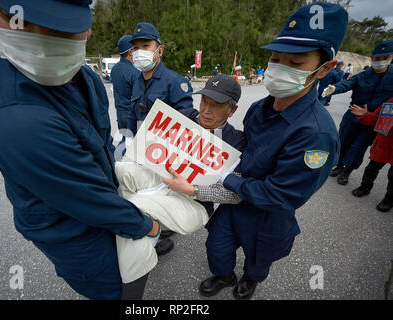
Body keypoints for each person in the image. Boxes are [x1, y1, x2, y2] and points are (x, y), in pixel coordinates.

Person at [0, 0, 160, 300]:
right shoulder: (13, 119)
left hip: (109, 207)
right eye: (20, 21)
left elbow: (102, 144)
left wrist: (118, 172)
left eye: (62, 28)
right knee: (116, 289)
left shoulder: (84, 78)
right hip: (78, 237)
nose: (38, 34)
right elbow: (87, 198)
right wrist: (149, 225)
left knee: (133, 270)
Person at [179, 2, 347, 300]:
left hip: (269, 214)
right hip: (235, 205)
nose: (280, 69)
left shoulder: (316, 134)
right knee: (216, 246)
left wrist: (226, 178)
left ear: (325, 69)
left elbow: (281, 195)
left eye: (295, 64)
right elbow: (244, 151)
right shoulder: (260, 108)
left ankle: (249, 280)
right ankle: (224, 275)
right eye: (275, 58)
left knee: (259, 261)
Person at [116, 74, 246, 284]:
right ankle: (145, 235)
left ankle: (129, 281)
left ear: (232, 110)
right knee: (119, 170)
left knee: (131, 209)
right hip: (160, 181)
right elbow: (146, 148)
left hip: (193, 203)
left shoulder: (236, 142)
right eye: (204, 100)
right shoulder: (183, 116)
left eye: (216, 105)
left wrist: (193, 189)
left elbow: (235, 195)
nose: (205, 110)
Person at [127, 22, 195, 255]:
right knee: (145, 193)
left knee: (165, 192)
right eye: (135, 48)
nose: (140, 52)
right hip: (142, 151)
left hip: (166, 154)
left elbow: (186, 124)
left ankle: (164, 228)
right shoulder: (137, 80)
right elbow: (131, 114)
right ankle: (154, 227)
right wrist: (129, 144)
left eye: (146, 45)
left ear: (160, 50)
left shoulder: (175, 81)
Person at [322, 40, 393, 185]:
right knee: (344, 141)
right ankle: (339, 166)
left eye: (384, 58)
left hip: (373, 119)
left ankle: (347, 171)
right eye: (377, 58)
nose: (380, 61)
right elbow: (347, 83)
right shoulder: (364, 75)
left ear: (390, 57)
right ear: (372, 58)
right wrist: (334, 89)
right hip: (353, 115)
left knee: (359, 147)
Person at [350, 98, 393, 212]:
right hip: (384, 143)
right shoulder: (391, 102)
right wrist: (365, 114)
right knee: (371, 168)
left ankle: (389, 199)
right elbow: (377, 119)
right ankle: (365, 187)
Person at [110, 35, 140, 144]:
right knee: (134, 145)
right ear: (131, 52)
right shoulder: (134, 72)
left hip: (120, 113)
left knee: (124, 141)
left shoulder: (114, 69)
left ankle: (117, 159)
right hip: (130, 114)